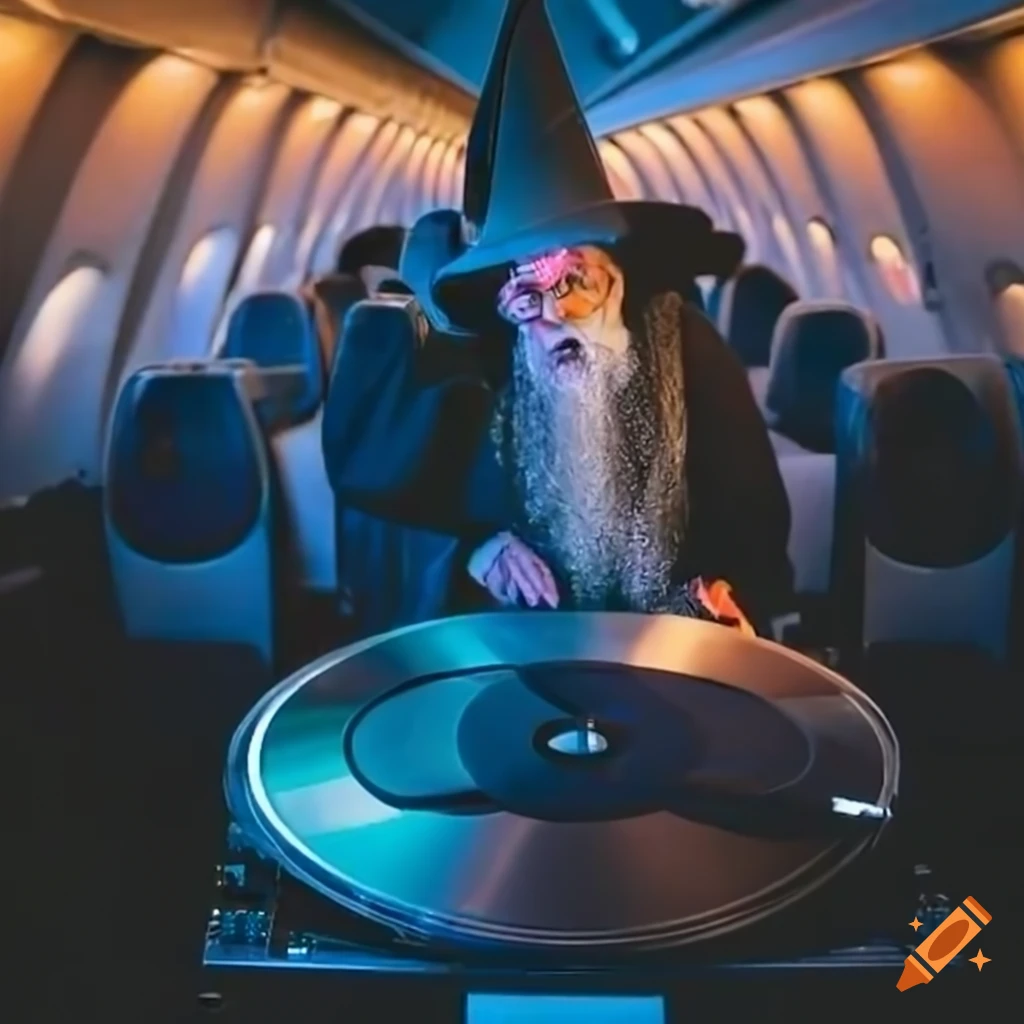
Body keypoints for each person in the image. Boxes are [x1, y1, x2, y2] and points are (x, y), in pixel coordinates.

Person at [323, 0, 792, 636]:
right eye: (529, 298)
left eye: (577, 282)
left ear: (618, 277)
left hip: (668, 639)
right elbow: (393, 504)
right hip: (517, 642)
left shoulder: (686, 344)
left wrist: (728, 590)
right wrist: (479, 551)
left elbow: (752, 516)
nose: (557, 317)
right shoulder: (477, 364)